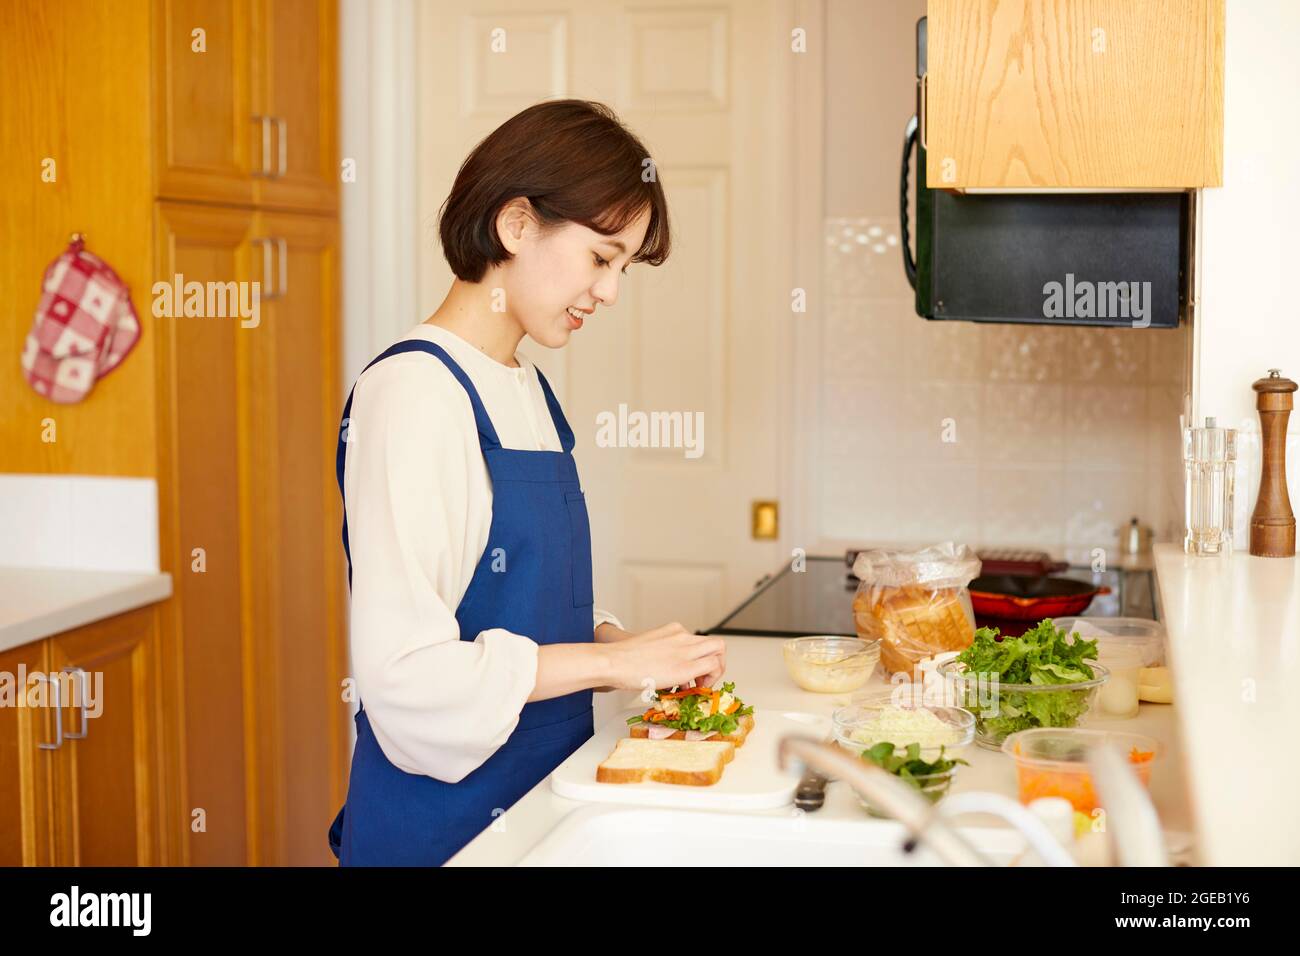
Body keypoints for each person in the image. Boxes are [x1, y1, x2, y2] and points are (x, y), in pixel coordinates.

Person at [327, 99, 727, 866]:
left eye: (623, 267)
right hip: (446, 830)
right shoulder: (414, 392)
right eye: (601, 257)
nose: (609, 291)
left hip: (542, 808)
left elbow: (507, 596)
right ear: (516, 225)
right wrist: (613, 666)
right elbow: (406, 680)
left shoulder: (524, 386)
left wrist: (625, 642)